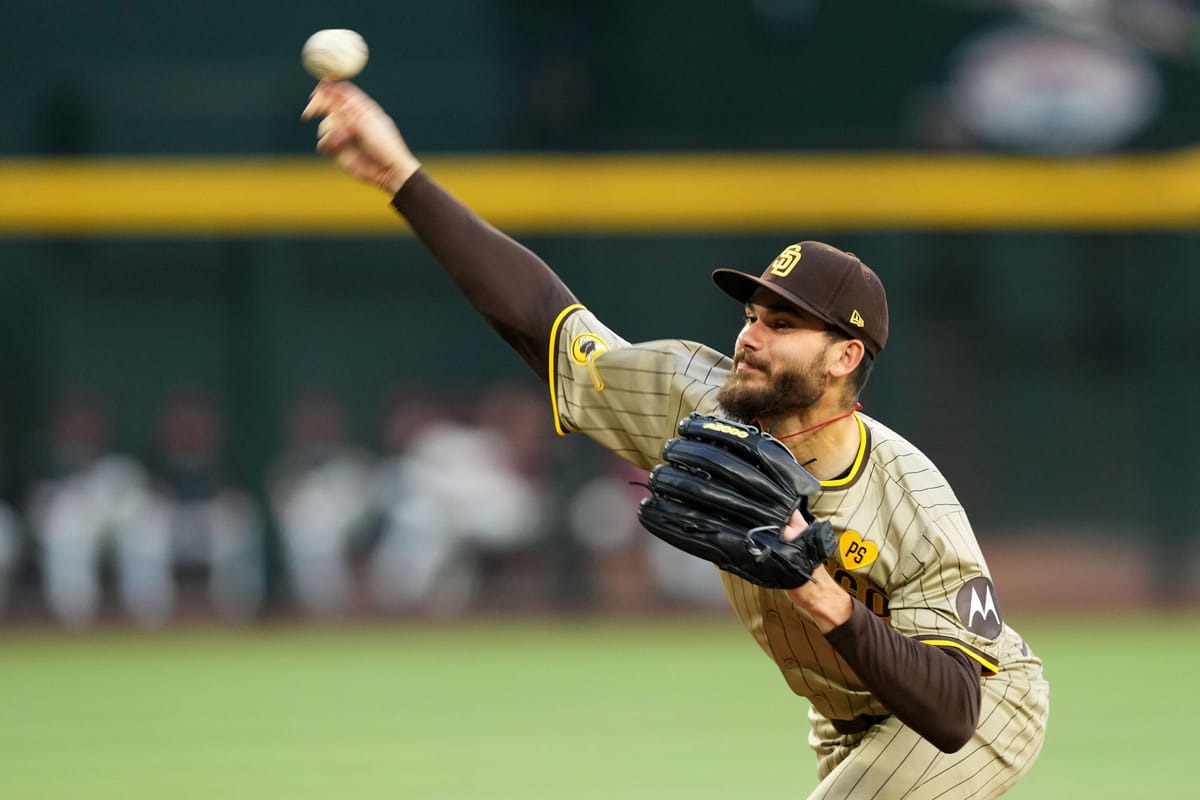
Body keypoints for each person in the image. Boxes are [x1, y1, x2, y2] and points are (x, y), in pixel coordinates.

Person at [302, 80, 1049, 798]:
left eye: (781, 325)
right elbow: (544, 321)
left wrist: (818, 591)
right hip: (844, 719)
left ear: (844, 358)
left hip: (977, 708)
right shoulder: (698, 402)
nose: (750, 336)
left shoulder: (910, 498)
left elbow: (954, 711)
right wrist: (401, 176)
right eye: (752, 313)